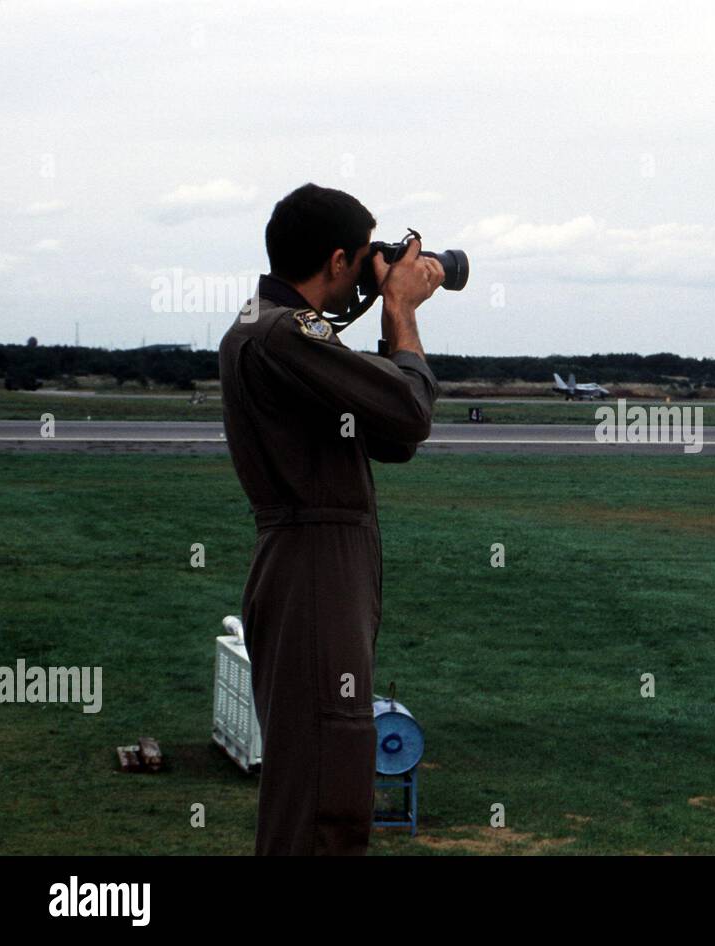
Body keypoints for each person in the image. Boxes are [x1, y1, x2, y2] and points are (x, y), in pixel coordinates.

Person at [218, 183, 442, 855]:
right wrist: (400, 308)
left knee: (317, 775)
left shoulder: (271, 330)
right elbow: (412, 413)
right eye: (366, 261)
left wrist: (380, 309)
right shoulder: (289, 334)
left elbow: (392, 437)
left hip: (309, 562)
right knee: (328, 786)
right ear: (340, 258)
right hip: (317, 568)